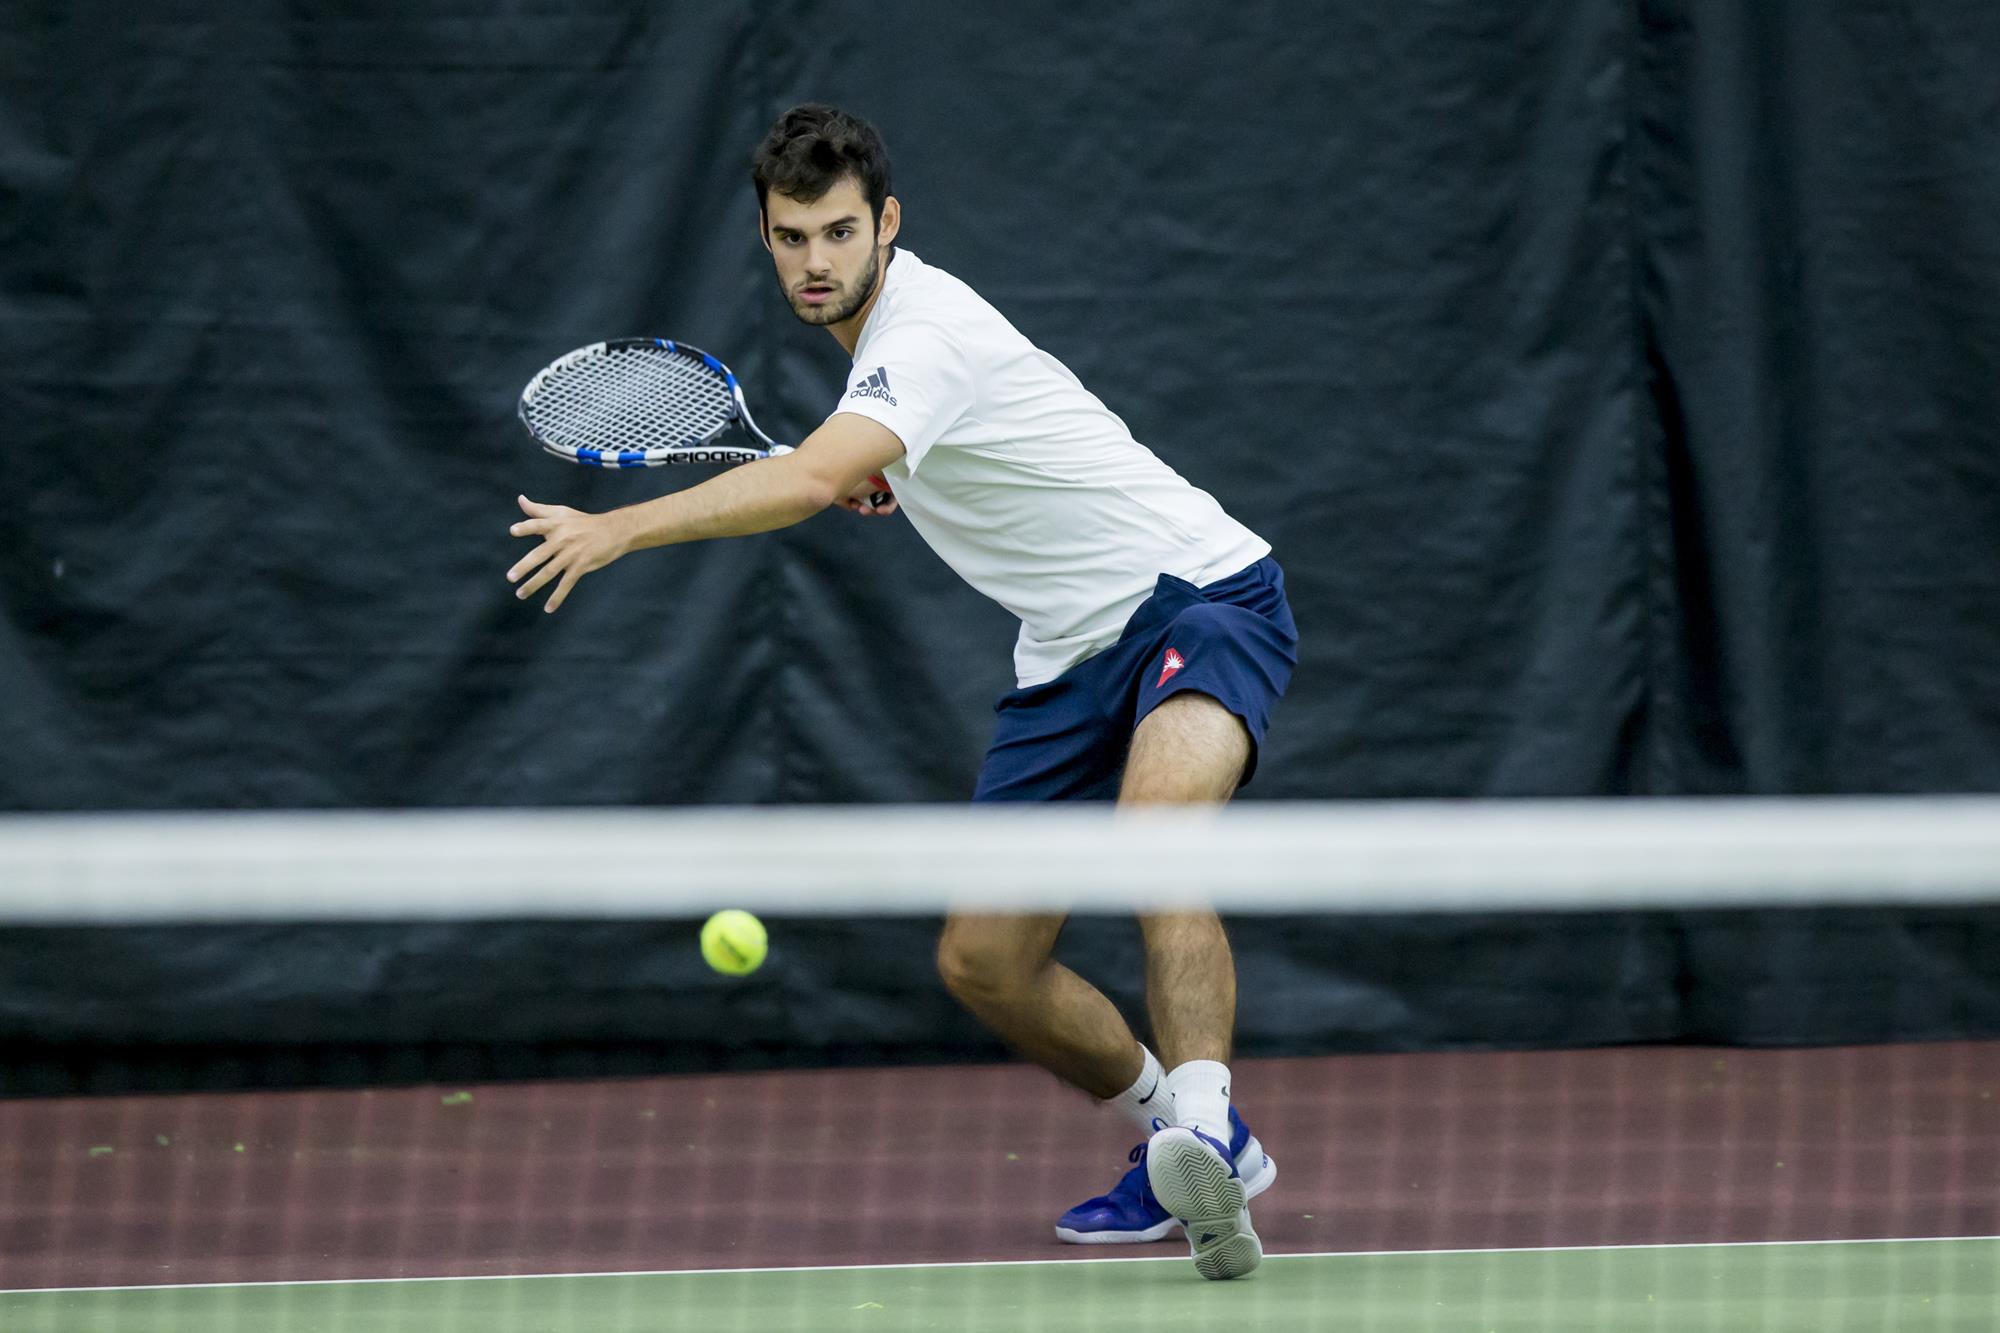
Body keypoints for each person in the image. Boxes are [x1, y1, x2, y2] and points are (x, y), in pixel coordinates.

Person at [505, 104, 1296, 1281]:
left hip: (1197, 598)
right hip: (1065, 655)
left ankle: (1209, 1120)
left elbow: (817, 470)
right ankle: (1170, 1143)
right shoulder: (882, 358)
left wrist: (620, 532)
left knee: (1152, 839)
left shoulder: (922, 331)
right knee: (984, 960)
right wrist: (888, 474)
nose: (815, 262)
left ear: (886, 223)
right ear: (765, 238)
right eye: (788, 238)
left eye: (836, 232)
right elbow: (872, 459)